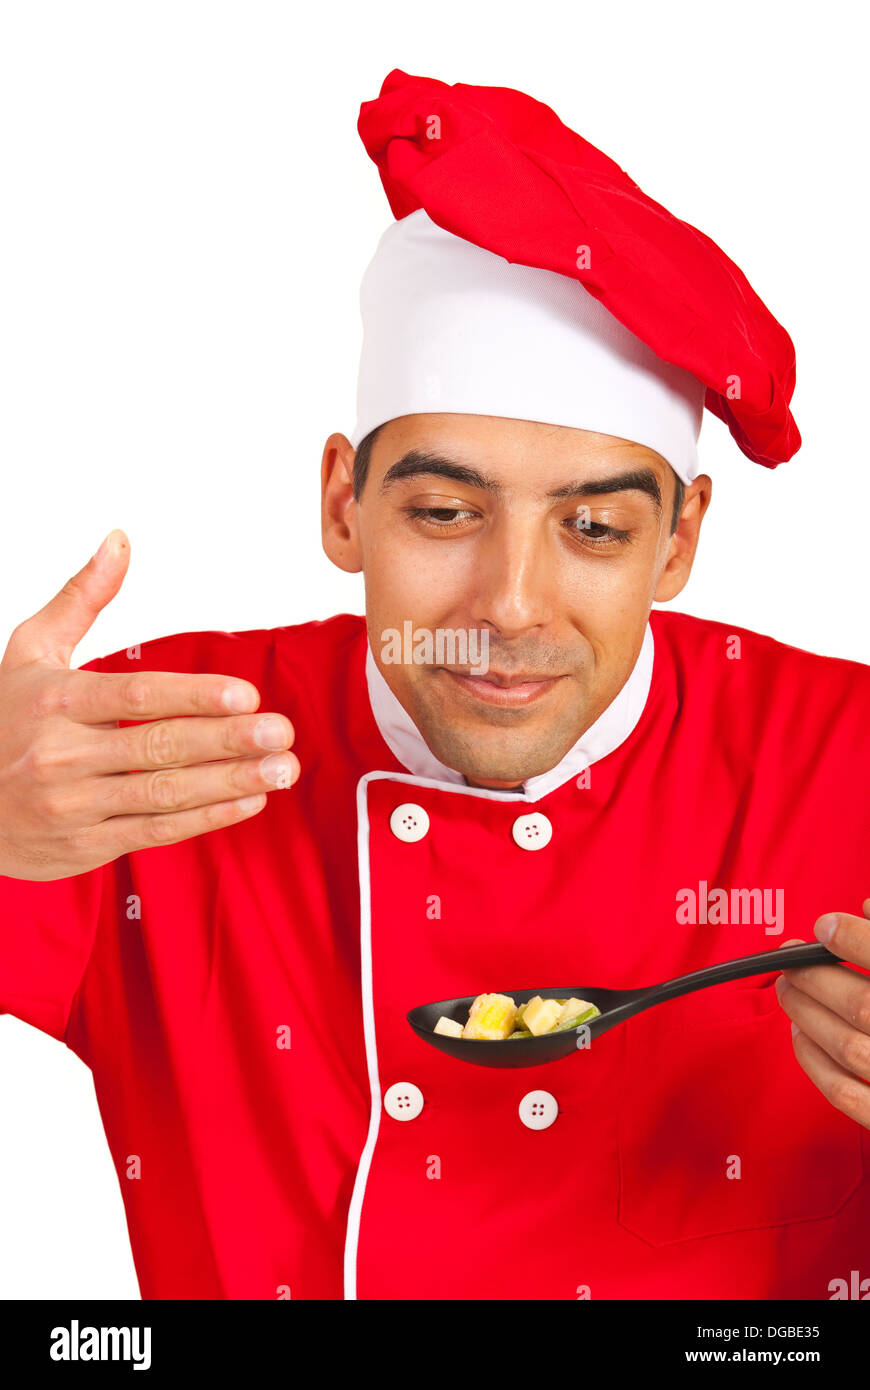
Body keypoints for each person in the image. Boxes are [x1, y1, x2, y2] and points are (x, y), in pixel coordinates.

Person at [0, 68, 867, 1301]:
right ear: (344, 503)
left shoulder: (847, 756)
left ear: (679, 544)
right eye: (446, 512)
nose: (510, 604)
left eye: (597, 531)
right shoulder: (150, 744)